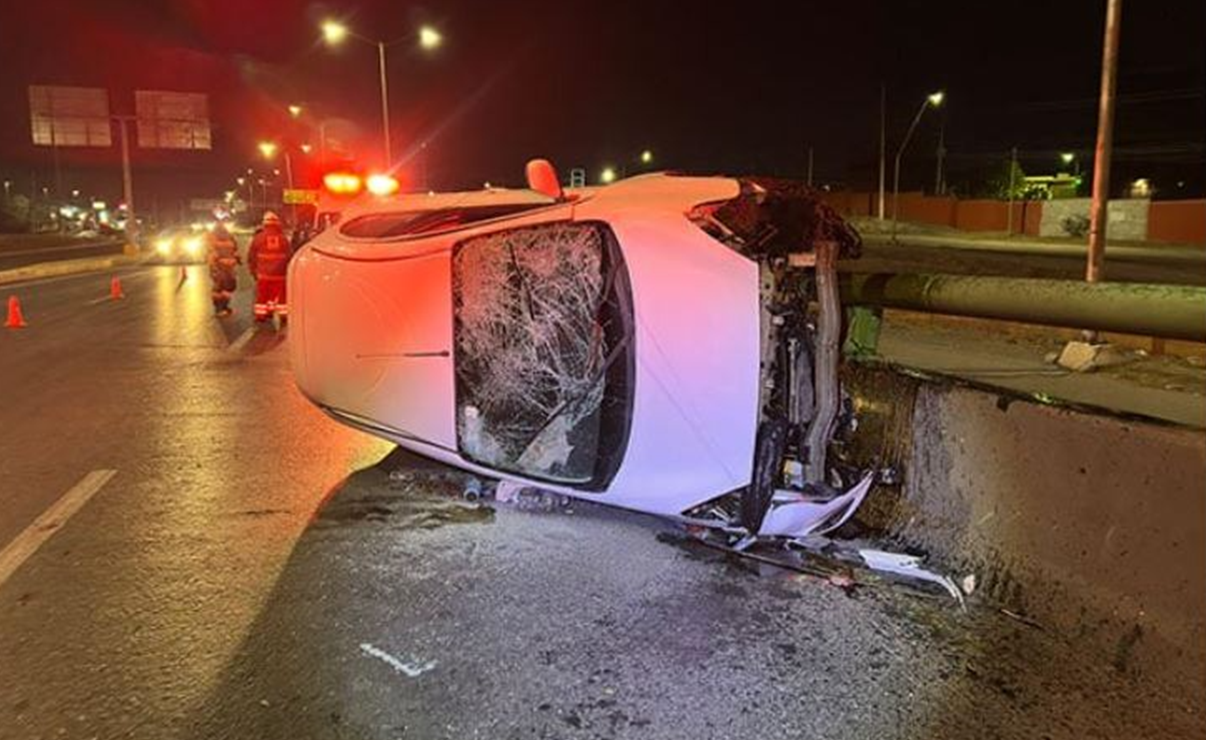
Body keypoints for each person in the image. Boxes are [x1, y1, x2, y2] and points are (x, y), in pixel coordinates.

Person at [246, 211, 292, 323]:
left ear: (264, 224)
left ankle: (261, 316)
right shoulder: (284, 239)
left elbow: (251, 257)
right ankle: (283, 316)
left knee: (263, 295)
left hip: (263, 274)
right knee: (281, 297)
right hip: (280, 275)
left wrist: (253, 271)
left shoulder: (258, 238)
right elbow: (290, 256)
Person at [206, 221, 240, 317]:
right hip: (220, 266)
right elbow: (211, 251)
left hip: (227, 266)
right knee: (220, 287)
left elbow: (235, 250)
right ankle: (219, 308)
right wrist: (214, 263)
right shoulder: (212, 238)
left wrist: (236, 258)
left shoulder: (229, 238)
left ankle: (224, 306)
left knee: (228, 286)